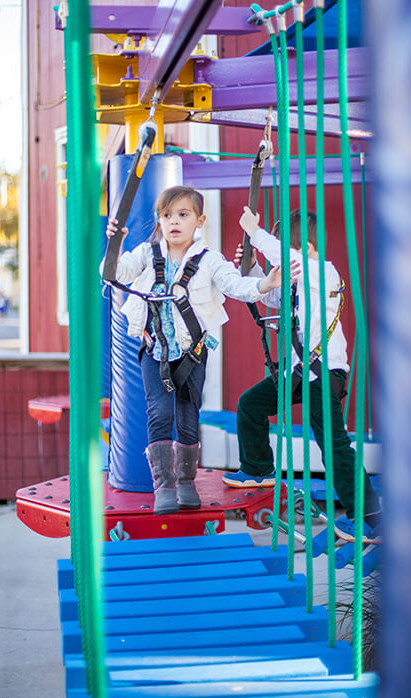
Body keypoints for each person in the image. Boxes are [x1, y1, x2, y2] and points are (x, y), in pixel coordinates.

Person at [104, 186, 288, 515]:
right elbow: (114, 273)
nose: (174, 222)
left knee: (188, 418)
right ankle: (164, 485)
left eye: (183, 215)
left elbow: (236, 285)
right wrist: (115, 244)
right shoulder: (147, 254)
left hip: (191, 354)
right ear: (159, 221)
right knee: (158, 414)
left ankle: (186, 481)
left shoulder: (210, 261)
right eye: (167, 216)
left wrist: (265, 284)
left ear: (199, 220)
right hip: (154, 350)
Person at [222, 206, 381, 542]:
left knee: (334, 446)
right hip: (300, 372)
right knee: (250, 404)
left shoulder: (322, 271)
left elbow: (288, 262)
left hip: (323, 372)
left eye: (285, 249)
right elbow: (274, 297)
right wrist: (250, 265)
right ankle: (258, 468)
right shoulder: (300, 282)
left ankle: (370, 515)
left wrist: (255, 232)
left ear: (305, 248)